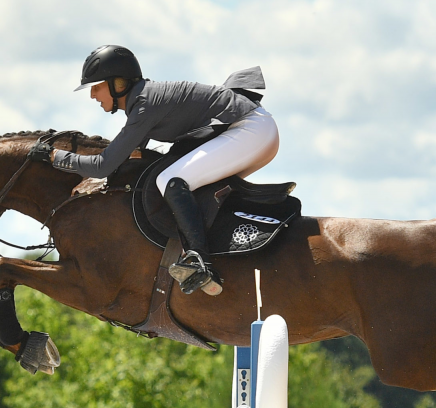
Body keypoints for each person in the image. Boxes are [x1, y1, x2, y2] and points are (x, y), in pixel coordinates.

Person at [30, 45, 280, 296]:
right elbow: (122, 158)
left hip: (251, 130)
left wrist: (54, 156)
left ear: (118, 84)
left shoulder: (144, 104)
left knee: (171, 179)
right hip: (254, 132)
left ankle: (199, 262)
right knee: (184, 182)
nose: (93, 95)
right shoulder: (144, 101)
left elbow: (104, 165)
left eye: (96, 86)